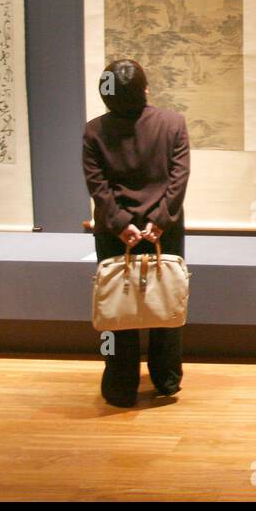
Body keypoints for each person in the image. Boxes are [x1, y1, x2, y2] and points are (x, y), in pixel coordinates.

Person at [82, 59, 190, 407]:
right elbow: (178, 178)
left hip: (116, 234)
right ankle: (166, 379)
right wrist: (159, 220)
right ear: (145, 90)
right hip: (165, 230)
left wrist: (120, 224)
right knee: (165, 302)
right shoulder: (173, 124)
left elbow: (98, 187)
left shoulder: (95, 131)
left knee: (117, 309)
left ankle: (119, 385)